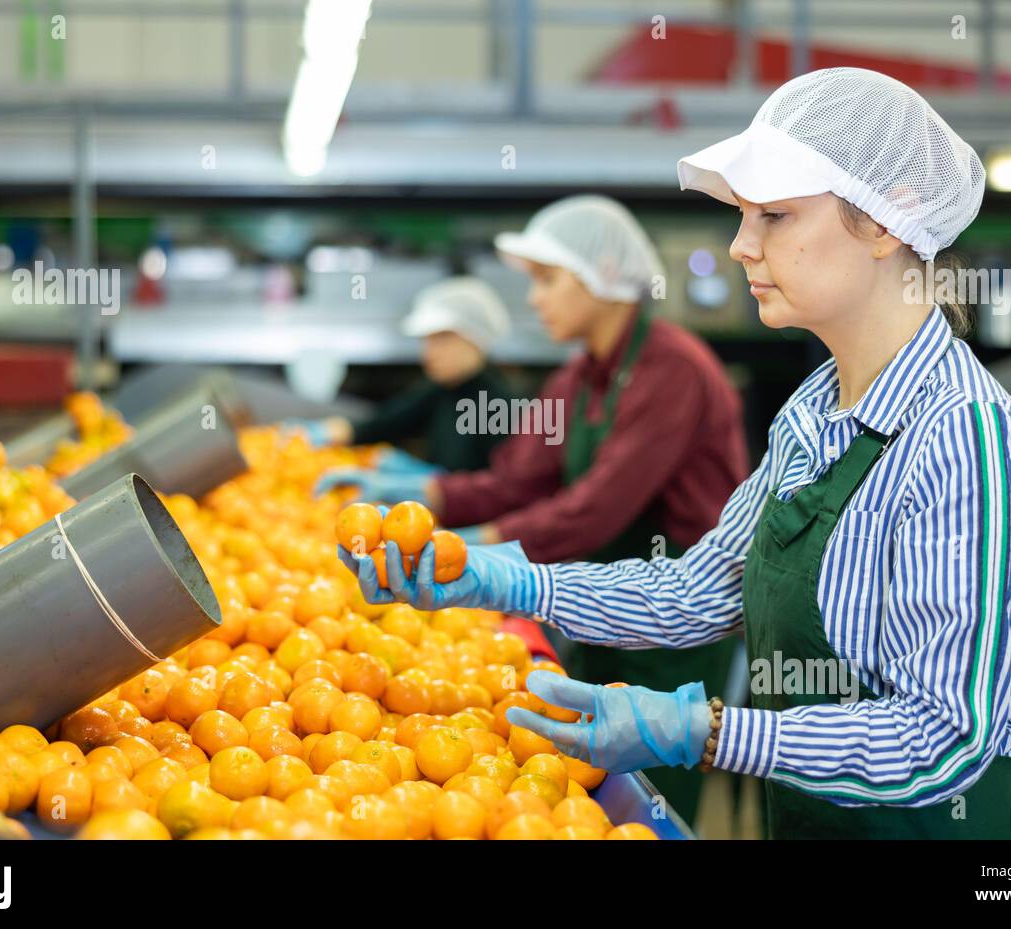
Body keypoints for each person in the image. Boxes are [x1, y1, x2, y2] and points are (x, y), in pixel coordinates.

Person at [337, 68, 1011, 839]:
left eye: (774, 216)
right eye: (742, 217)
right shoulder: (811, 413)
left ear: (889, 220)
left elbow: (942, 742)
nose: (739, 245)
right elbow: (699, 588)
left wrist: (709, 730)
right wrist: (510, 581)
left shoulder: (965, 437)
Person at [320, 193, 752, 825]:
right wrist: (423, 495)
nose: (533, 299)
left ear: (603, 277)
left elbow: (593, 511)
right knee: (586, 788)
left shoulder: (674, 371)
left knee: (647, 810)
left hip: (674, 625)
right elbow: (515, 478)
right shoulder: (577, 379)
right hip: (595, 603)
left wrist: (479, 550)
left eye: (547, 280)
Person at [289, 276, 517, 474]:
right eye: (425, 341)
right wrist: (324, 432)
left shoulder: (499, 406)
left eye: (441, 340)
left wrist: (432, 482)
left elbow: (501, 489)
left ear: (475, 339)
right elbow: (385, 423)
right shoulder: (441, 389)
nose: (428, 353)